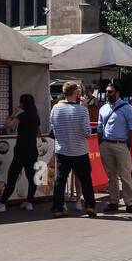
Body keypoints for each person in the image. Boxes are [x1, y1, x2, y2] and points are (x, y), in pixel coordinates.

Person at [49, 82, 96, 218]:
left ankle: (57, 208)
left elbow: (53, 128)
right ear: (76, 93)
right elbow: (87, 132)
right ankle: (90, 206)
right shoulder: (82, 110)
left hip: (62, 149)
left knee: (60, 180)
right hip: (79, 150)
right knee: (85, 179)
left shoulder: (56, 108)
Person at [0, 94, 41, 212]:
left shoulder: (22, 115)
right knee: (31, 176)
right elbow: (38, 132)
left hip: (21, 150)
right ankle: (29, 202)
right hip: (32, 150)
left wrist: (13, 113)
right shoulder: (35, 117)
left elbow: (8, 124)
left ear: (23, 104)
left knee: (12, 176)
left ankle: (1, 203)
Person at [98, 80, 132, 214]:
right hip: (106, 144)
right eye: (106, 92)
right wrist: (100, 143)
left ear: (117, 93)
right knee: (111, 176)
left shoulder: (127, 108)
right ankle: (114, 201)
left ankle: (129, 203)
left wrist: (129, 144)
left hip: (121, 145)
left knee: (125, 175)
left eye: (110, 92)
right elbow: (99, 127)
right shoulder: (103, 108)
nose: (107, 94)